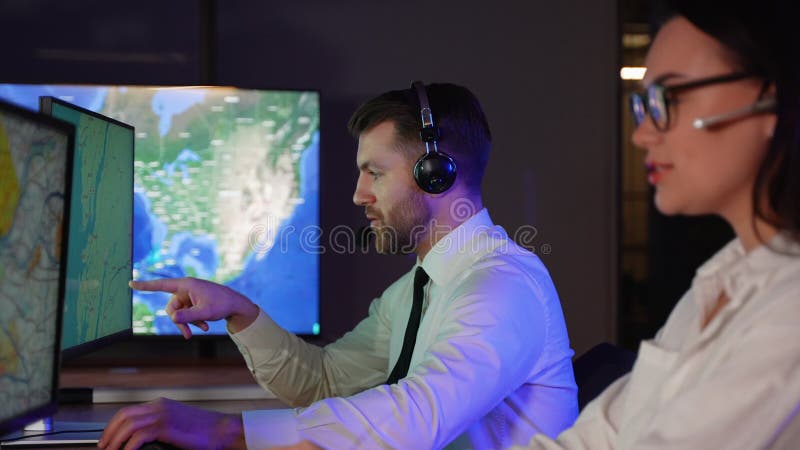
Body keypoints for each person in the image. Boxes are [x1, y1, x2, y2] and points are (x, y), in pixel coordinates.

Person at [98, 82, 578, 450]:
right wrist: (238, 312)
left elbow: (419, 417)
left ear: (437, 174)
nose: (358, 194)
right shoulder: (416, 289)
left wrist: (225, 429)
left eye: (375, 172)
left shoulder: (501, 286)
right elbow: (324, 382)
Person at [519, 0, 800, 448]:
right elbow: (600, 436)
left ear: (770, 98)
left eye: (666, 99)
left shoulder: (789, 313)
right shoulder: (721, 278)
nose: (641, 134)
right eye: (642, 105)